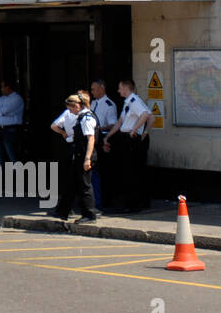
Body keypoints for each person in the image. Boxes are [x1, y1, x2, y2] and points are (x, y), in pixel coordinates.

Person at [104, 78, 152, 212]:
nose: (118, 91)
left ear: (126, 88)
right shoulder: (128, 102)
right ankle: (135, 202)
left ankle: (134, 204)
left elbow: (145, 115)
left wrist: (135, 130)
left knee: (132, 171)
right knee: (129, 171)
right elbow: (120, 122)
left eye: (120, 88)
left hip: (131, 139)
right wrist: (108, 136)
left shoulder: (133, 101)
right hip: (126, 138)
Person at [50, 93, 97, 223]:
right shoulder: (81, 117)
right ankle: (62, 211)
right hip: (78, 153)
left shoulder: (87, 118)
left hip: (84, 154)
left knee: (84, 185)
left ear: (76, 106)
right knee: (72, 183)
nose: (70, 112)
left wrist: (87, 158)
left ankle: (89, 214)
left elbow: (90, 139)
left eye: (71, 109)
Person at [88, 80, 118, 211]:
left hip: (102, 138)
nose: (92, 92)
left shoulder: (109, 104)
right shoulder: (93, 103)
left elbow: (113, 124)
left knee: (102, 172)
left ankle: (104, 201)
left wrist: (99, 128)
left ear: (102, 89)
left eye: (94, 89)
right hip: (91, 138)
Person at [0, 80, 24, 165]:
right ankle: (1, 175)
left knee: (12, 155)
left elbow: (5, 111)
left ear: (8, 87)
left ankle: (17, 175)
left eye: (2, 87)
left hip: (10, 130)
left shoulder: (17, 98)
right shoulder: (1, 99)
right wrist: (0, 113)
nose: (1, 89)